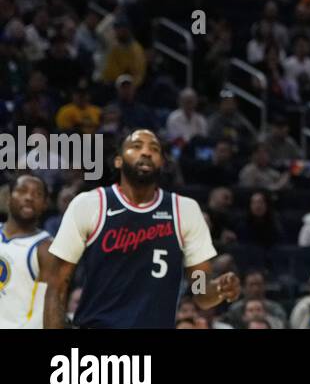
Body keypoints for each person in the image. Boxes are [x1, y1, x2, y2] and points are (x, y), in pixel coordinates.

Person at [41, 128, 240, 328]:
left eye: (154, 149)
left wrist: (218, 289)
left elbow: (201, 291)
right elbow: (57, 284)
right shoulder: (89, 204)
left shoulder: (185, 210)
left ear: (161, 162)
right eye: (136, 146)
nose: (146, 152)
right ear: (118, 160)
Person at [0, 174, 52, 328]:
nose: (29, 197)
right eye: (22, 191)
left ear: (44, 205)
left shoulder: (47, 248)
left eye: (37, 194)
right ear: (9, 197)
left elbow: (48, 308)